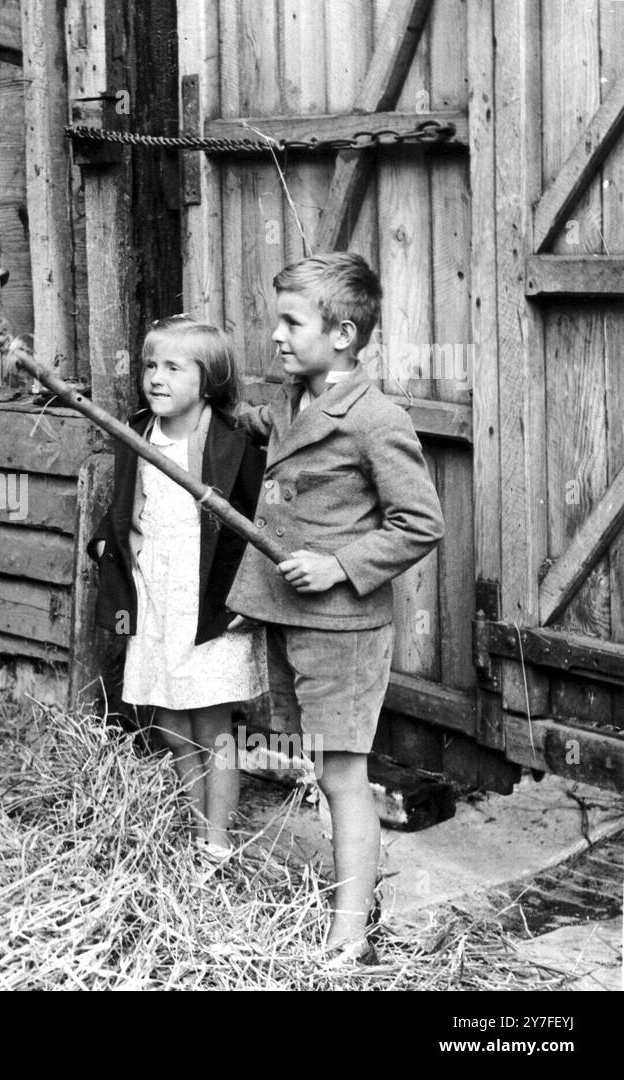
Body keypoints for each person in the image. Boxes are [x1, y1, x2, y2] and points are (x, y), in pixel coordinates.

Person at [227, 252, 444, 960]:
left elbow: (420, 522)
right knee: (317, 767)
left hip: (344, 629)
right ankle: (356, 893)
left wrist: (341, 564)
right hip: (291, 621)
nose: (278, 336)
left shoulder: (376, 419)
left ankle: (352, 931)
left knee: (345, 775)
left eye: (292, 323)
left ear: (344, 335)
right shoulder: (293, 400)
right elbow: (269, 433)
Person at [89, 319, 266, 860]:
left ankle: (217, 845)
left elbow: (263, 523)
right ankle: (195, 822)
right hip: (154, 593)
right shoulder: (137, 430)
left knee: (212, 723)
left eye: (173, 367)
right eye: (150, 366)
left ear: (208, 379)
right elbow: (127, 501)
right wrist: (104, 541)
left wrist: (252, 598)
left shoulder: (234, 441)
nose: (156, 379)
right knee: (167, 718)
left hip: (208, 597)